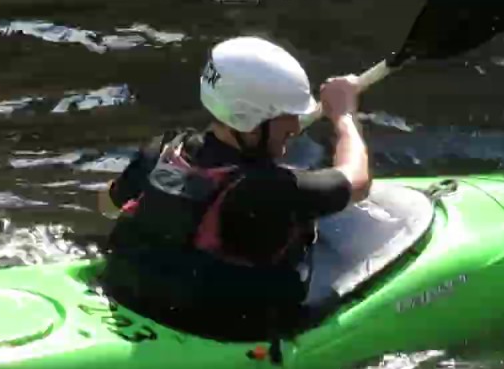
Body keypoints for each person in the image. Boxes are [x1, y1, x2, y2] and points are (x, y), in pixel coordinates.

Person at [96, 36, 371, 341]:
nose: (295, 127)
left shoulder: (163, 151)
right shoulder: (268, 189)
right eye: (286, 118)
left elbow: (107, 205)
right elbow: (357, 182)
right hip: (211, 328)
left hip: (128, 295)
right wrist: (344, 116)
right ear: (250, 121)